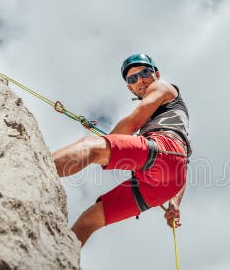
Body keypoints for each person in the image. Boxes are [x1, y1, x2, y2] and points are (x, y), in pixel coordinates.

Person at [52, 54, 192, 246]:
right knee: (90, 218)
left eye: (144, 73)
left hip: (163, 150)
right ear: (130, 87)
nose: (140, 80)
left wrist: (106, 142)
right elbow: (182, 163)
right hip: (167, 179)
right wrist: (174, 202)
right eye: (133, 79)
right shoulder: (170, 116)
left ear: (156, 74)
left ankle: (33, 169)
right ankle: (62, 257)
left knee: (91, 147)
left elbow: (134, 122)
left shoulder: (161, 87)